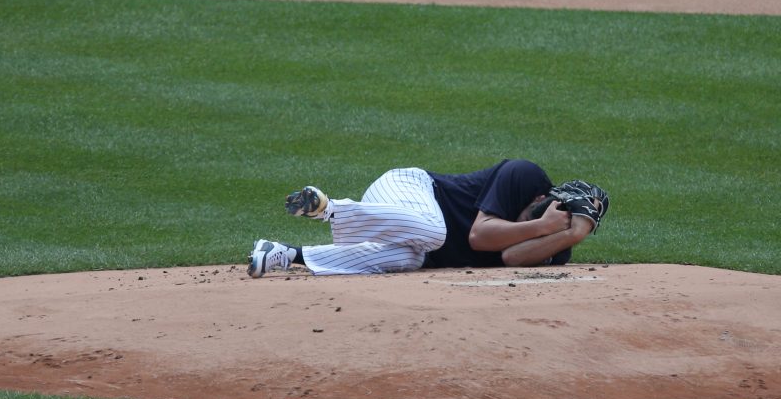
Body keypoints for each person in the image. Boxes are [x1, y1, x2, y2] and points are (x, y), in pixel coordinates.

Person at [246, 159, 608, 277]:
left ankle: (285, 253)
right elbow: (480, 238)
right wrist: (544, 225)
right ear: (546, 198)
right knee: (436, 232)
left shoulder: (557, 238)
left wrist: (568, 237)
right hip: (407, 191)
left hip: (409, 238)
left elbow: (510, 258)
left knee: (410, 259)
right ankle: (331, 209)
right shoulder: (523, 174)